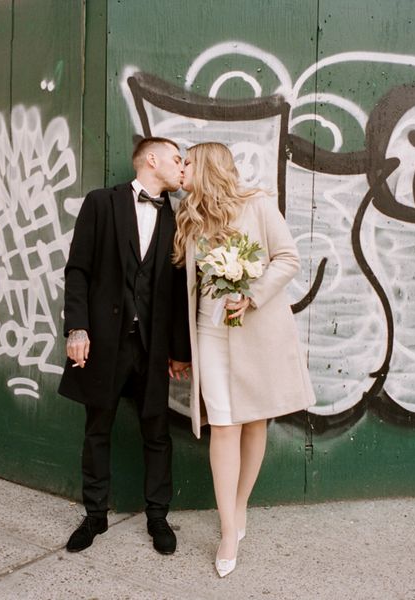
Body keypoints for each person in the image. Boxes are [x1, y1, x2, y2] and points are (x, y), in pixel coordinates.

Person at [172, 142, 316, 577]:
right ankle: (229, 529)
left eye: (188, 162)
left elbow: (288, 258)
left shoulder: (258, 205)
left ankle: (239, 507)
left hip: (255, 328)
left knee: (255, 420)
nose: (182, 169)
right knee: (223, 424)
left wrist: (250, 294)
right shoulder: (188, 215)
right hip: (209, 333)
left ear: (209, 167)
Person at [59, 136, 191, 555]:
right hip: (104, 342)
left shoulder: (178, 219)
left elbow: (176, 293)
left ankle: (158, 517)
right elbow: (77, 270)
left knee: (157, 431)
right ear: (151, 160)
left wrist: (178, 350)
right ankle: (95, 516)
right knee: (97, 428)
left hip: (151, 348)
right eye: (176, 159)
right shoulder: (102, 203)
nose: (182, 167)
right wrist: (77, 329)